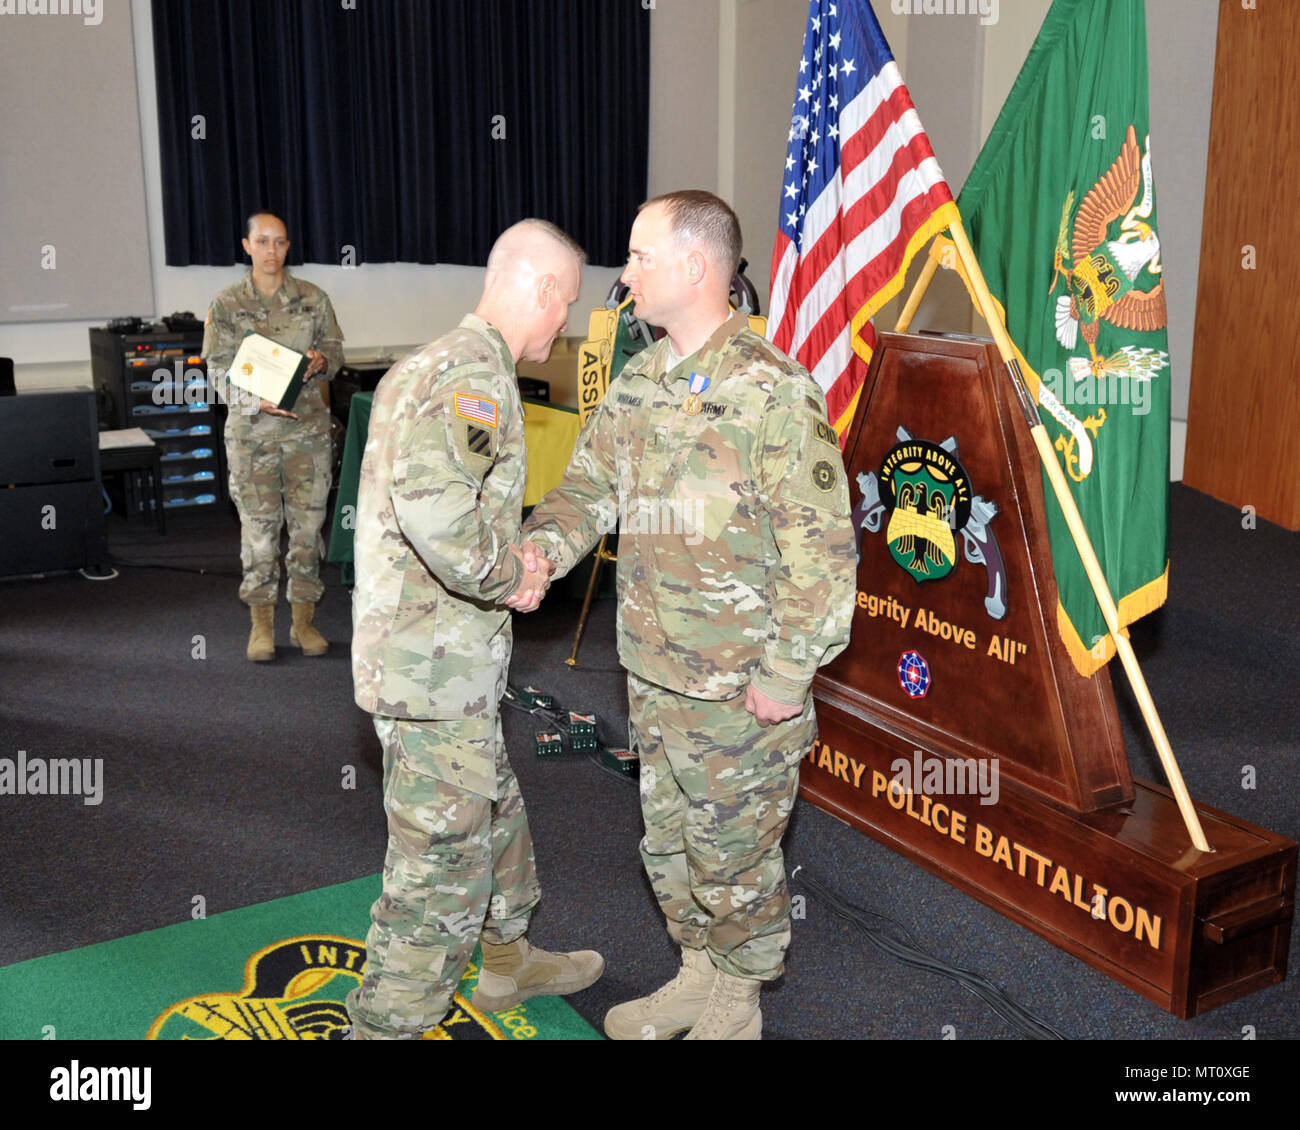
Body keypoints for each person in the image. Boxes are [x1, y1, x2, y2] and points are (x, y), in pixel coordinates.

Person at [518, 190, 857, 1040]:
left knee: (737, 858)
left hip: (742, 689)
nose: (623, 274)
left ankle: (737, 1005)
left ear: (697, 268)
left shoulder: (773, 392)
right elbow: (587, 491)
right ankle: (697, 976)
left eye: (639, 256)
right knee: (669, 848)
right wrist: (538, 554)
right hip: (653, 671)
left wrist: (787, 675)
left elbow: (824, 553)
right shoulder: (642, 380)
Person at [347, 219, 602, 1040]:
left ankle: (506, 961)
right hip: (433, 674)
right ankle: (384, 1027)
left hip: (443, 665)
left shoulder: (443, 362)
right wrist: (515, 577)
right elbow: (442, 516)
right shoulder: (472, 377)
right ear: (537, 287)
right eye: (563, 302)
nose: (563, 324)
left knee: (494, 818)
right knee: (438, 877)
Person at [202, 211, 344, 662]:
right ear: (246, 245)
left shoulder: (313, 298)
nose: (271, 251)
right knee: (260, 535)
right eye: (262, 242)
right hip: (251, 436)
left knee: (306, 533)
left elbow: (337, 352)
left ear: (288, 246)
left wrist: (323, 363)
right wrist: (252, 401)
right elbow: (215, 372)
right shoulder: (226, 304)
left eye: (279, 242)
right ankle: (261, 625)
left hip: (307, 434)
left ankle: (304, 621)